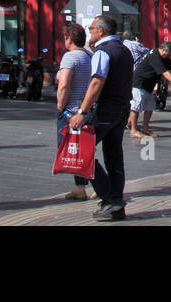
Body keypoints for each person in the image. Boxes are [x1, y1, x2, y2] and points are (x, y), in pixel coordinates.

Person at [68, 14, 135, 220]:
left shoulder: (102, 52)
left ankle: (110, 199)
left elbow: (96, 83)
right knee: (114, 157)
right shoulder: (124, 50)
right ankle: (116, 204)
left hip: (105, 109)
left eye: (91, 28)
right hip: (122, 109)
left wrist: (82, 112)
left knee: (81, 151)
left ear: (101, 31)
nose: (90, 32)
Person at [55, 22, 92, 201]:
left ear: (69, 38)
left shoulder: (70, 57)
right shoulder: (90, 56)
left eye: (65, 37)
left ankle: (90, 187)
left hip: (71, 111)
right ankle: (81, 187)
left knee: (73, 150)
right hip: (88, 110)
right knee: (83, 149)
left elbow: (64, 85)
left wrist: (60, 108)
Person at [129, 40, 171, 138]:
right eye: (168, 55)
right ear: (163, 50)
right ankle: (133, 131)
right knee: (136, 107)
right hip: (139, 84)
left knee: (150, 107)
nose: (168, 57)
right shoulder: (155, 56)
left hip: (148, 86)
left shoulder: (164, 57)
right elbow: (164, 72)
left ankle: (145, 128)